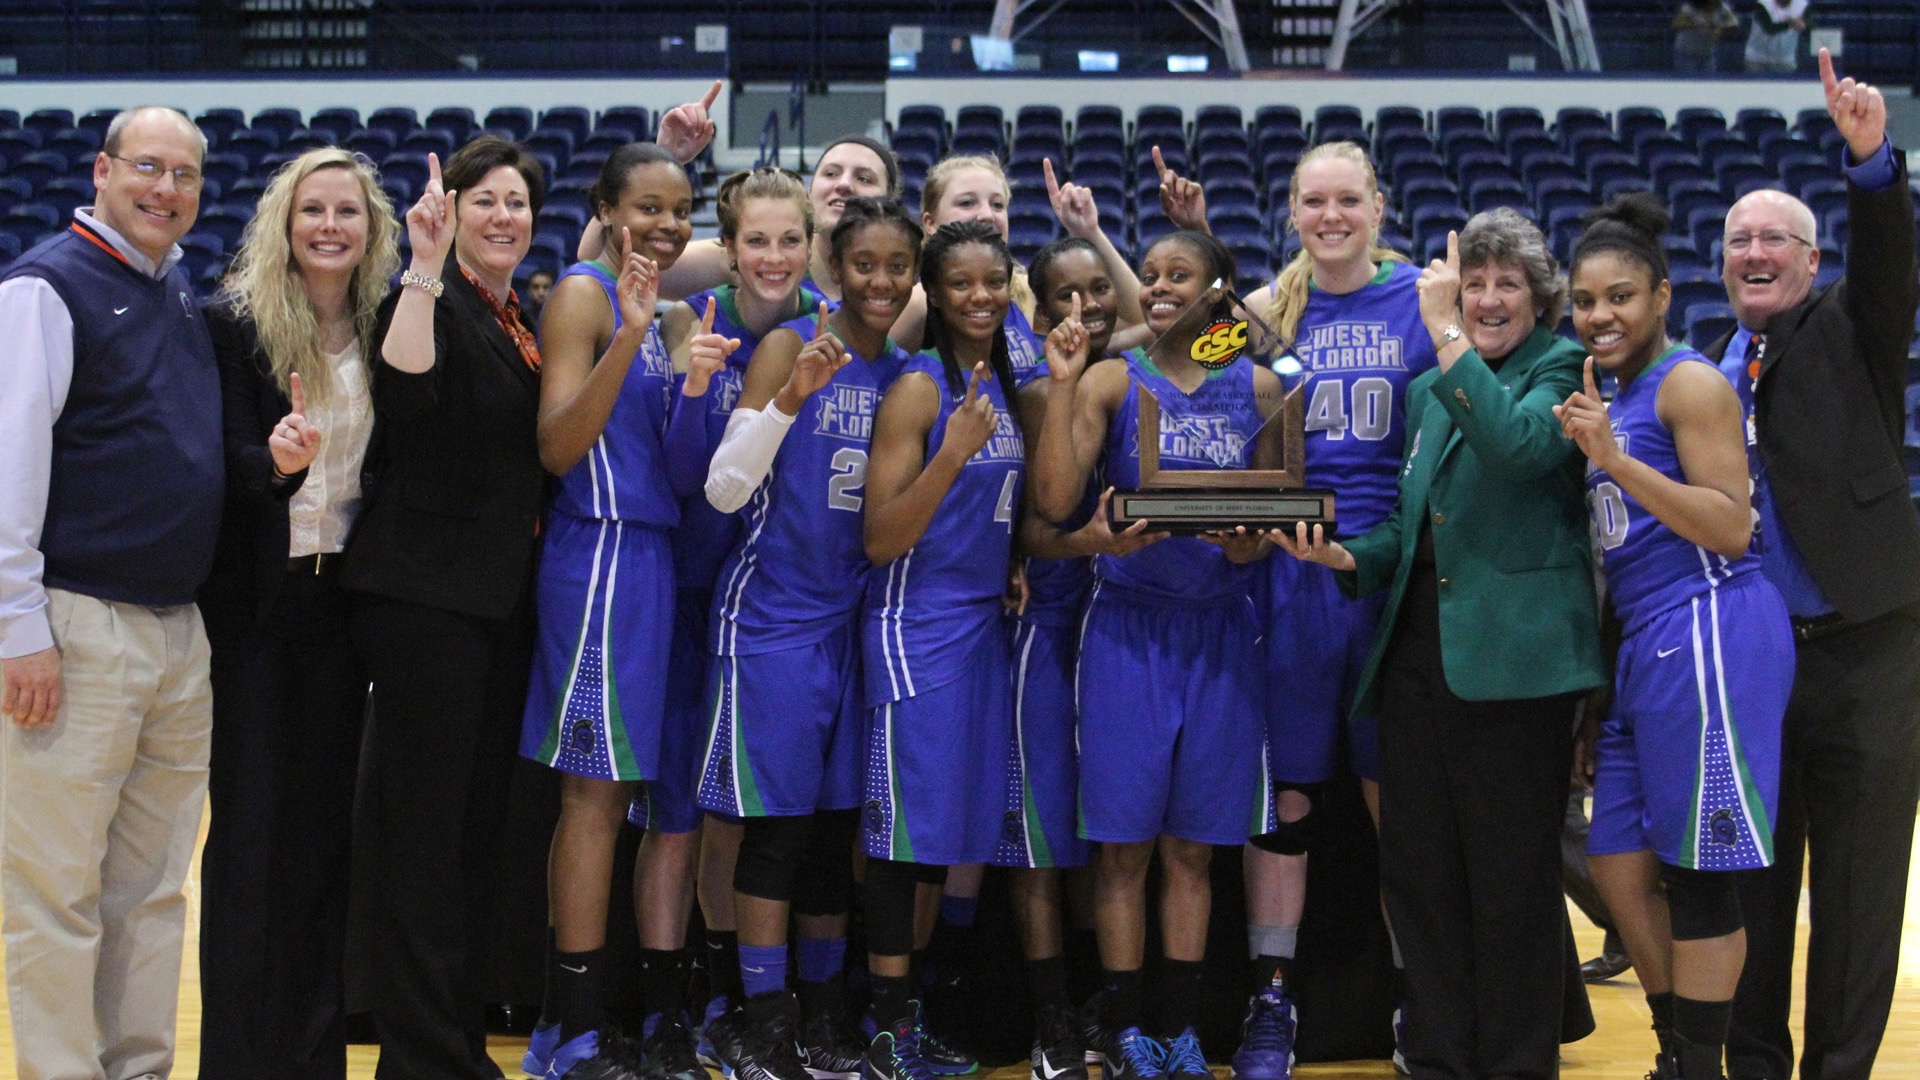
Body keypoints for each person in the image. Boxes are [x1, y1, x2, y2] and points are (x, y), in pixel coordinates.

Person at [1275, 210, 1607, 1080]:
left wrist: (1449, 336)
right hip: (1419, 659)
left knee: (1511, 884)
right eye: (1475, 284)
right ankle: (1437, 1055)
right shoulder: (1429, 391)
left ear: (1541, 299)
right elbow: (1413, 526)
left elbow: (1520, 448)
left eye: (1508, 285)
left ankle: (1517, 1061)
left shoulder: (1560, 367)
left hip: (1516, 666)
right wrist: (1346, 555)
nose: (1490, 299)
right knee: (1420, 878)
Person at [1155, 137, 1435, 1076]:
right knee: (1286, 795)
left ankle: (1417, 1000)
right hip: (1284, 580)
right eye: (1313, 201)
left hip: (1391, 577)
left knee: (1397, 799)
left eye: (1347, 199)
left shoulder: (1425, 303)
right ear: (1291, 212)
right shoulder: (1269, 309)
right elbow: (1165, 365)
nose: (1330, 217)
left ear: (1378, 207)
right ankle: (1271, 1000)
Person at [1706, 52, 1920, 1080]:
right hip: (1751, 661)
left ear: (1810, 257)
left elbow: (1887, 259)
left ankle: (1839, 1071)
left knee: (1859, 890)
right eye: (1739, 238)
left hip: (1869, 651)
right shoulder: (1701, 374)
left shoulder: (1851, 328)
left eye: (1774, 239)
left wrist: (1872, 160)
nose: (1755, 250)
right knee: (1754, 882)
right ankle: (1753, 1066)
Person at [0, 104, 220, 1080]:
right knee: (55, 890)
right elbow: (8, 474)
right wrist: (17, 628)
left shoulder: (172, 290)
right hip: (74, 628)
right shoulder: (45, 288)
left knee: (153, 890)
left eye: (183, 175)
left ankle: (136, 1071)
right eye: (147, 168)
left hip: (177, 634)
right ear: (100, 171)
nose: (164, 189)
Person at [1554, 192, 1793, 1080]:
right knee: (1617, 863)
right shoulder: (1610, 393)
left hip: (1714, 628)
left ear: (1660, 297)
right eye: (1585, 301)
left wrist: (1615, 461)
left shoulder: (1690, 382)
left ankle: (1696, 1064)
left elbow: (1733, 526)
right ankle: (1678, 1043)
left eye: (1620, 297)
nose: (1599, 316)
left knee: (1698, 873)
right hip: (1649, 645)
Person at [1031, 230, 1275, 1080]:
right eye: (1154, 276)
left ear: (1220, 293)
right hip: (1126, 629)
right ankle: (1126, 1026)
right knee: (1124, 850)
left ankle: (1181, 1029)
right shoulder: (1108, 377)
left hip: (1219, 632)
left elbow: (1276, 529)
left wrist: (1250, 548)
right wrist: (1061, 392)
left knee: (1193, 852)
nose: (1160, 289)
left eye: (1180, 276)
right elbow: (1057, 502)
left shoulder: (1262, 386)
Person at [697, 197, 923, 1080]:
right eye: (863, 263)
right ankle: (761, 1022)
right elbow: (722, 488)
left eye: (896, 266)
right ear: (834, 265)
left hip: (856, 628)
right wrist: (789, 401)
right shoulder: (793, 345)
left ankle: (826, 1017)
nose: (879, 280)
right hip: (772, 624)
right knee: (777, 833)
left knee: (836, 837)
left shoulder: (909, 373)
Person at [340, 137, 547, 1080]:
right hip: (428, 603)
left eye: (518, 203)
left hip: (493, 605)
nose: (505, 215)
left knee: (468, 837)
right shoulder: (425, 297)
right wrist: (421, 269)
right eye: (487, 201)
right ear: (451, 210)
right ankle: (426, 1057)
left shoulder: (517, 313)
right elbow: (410, 395)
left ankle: (450, 1045)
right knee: (422, 839)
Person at [198, 146, 400, 1080]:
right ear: (285, 222)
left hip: (338, 611)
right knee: (248, 846)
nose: (329, 226)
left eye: (347, 212)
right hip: (253, 614)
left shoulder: (386, 325)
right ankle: (239, 1063)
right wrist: (276, 465)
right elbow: (226, 473)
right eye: (312, 210)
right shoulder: (233, 327)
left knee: (323, 847)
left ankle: (313, 1059)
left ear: (371, 230)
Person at [654, 168, 851, 1077]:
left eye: (790, 239)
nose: (774, 257)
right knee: (695, 810)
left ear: (811, 243)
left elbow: (934, 280)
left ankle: (758, 1001)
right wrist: (697, 384)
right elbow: (698, 478)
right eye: (755, 241)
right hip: (693, 580)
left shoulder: (838, 319)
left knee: (761, 811)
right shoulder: (688, 318)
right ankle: (704, 994)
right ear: (727, 249)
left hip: (784, 595)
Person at [515, 141, 697, 1077]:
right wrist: (629, 335)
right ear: (606, 209)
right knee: (590, 800)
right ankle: (567, 1028)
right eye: (648, 208)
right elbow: (556, 445)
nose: (666, 225)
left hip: (650, 559)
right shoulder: (588, 296)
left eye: (680, 208)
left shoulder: (658, 306)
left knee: (619, 794)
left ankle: (584, 1016)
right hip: (599, 554)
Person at [858, 219, 1030, 1080]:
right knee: (900, 838)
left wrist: (1019, 562)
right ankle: (884, 1030)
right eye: (960, 283)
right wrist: (950, 457)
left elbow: (1197, 341)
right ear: (933, 290)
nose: (980, 297)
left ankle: (910, 1017)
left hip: (979, 626)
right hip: (914, 625)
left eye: (993, 282)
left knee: (942, 842)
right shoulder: (921, 390)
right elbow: (881, 537)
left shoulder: (1004, 380)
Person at [661, 134, 901, 306]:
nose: (844, 184)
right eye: (831, 173)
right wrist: (665, 158)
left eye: (865, 179)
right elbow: (641, 268)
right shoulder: (751, 257)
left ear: (889, 204)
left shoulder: (907, 286)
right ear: (810, 192)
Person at [1673, 0, 1738, 72]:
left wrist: (1719, 27)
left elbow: (1733, 22)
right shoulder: (1691, 7)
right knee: (1689, 82)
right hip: (1687, 53)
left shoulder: (1722, 7)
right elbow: (1677, 23)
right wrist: (1698, 25)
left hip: (1707, 55)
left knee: (1710, 81)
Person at [1744, 0, 1808, 73]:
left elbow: (1810, 28)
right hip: (1757, 59)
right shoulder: (1763, 4)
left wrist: (1804, 26)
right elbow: (1769, 29)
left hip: (1785, 60)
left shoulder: (1802, 5)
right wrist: (1790, 23)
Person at [522, 267, 556, 331]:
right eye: (536, 287)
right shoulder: (521, 317)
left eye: (546, 287)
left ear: (554, 290)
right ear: (529, 291)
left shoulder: (560, 316)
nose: (541, 293)